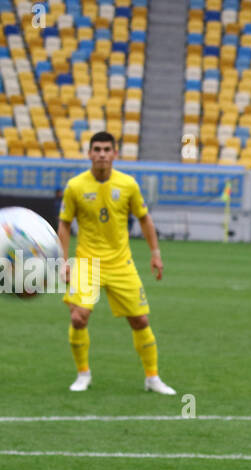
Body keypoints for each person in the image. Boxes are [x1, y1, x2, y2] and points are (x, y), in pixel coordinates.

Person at [58, 131, 174, 394]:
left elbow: (144, 219)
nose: (101, 154)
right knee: (78, 318)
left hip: (121, 263)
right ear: (89, 153)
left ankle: (152, 378)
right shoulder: (75, 186)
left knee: (141, 321)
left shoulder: (128, 185)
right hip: (87, 264)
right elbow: (64, 224)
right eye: (96, 149)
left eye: (106, 149)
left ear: (115, 154)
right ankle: (83, 374)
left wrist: (155, 253)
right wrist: (62, 261)